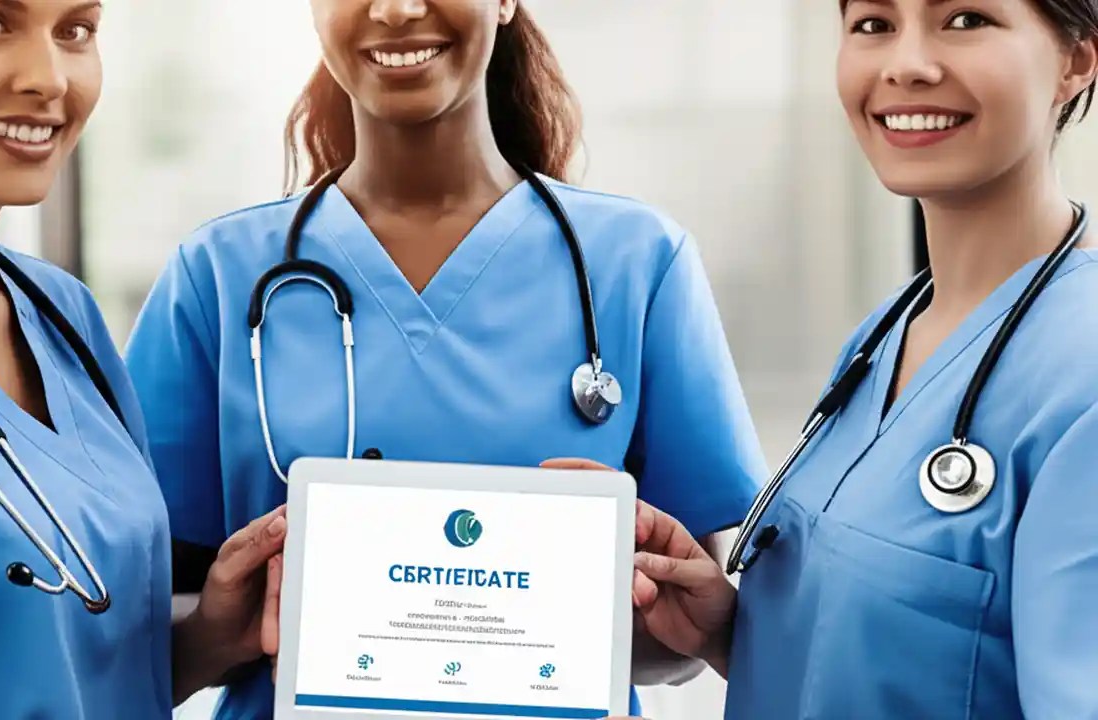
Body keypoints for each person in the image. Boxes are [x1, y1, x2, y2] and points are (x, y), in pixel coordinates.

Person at [124, 0, 767, 717]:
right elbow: (126, 646)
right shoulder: (217, 274)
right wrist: (220, 635)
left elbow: (683, 633)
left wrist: (616, 611)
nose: (397, 9)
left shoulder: (639, 262)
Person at [586, 0, 1098, 718]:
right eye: (873, 25)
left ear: (1077, 59)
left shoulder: (1081, 376)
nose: (906, 65)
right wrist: (735, 635)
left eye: (966, 19)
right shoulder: (880, 340)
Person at [0, 1, 285, 717]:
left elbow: (62, 669)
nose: (49, 77)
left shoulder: (63, 313)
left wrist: (207, 638)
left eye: (76, 31)